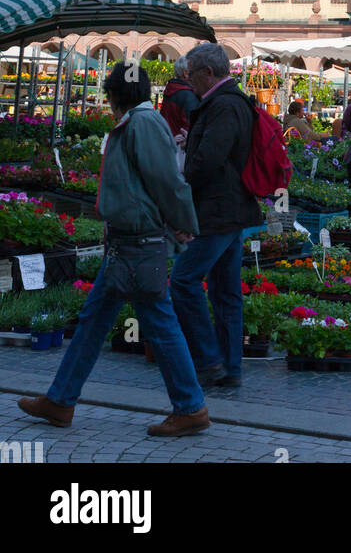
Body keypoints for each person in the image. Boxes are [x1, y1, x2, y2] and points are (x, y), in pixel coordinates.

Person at [18, 61, 208, 437]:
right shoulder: (139, 122)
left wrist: (184, 224)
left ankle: (190, 406)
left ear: (115, 95)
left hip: (137, 243)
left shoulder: (143, 123)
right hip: (127, 242)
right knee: (93, 322)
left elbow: (167, 182)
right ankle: (61, 400)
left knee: (158, 321)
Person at [169, 42, 261, 389]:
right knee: (225, 291)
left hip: (217, 210)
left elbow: (209, 160)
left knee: (183, 281)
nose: (188, 81)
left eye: (191, 74)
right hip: (230, 209)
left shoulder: (223, 105)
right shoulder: (231, 102)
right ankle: (229, 366)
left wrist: (185, 175)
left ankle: (210, 360)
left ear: (208, 73)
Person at [159, 57, 199, 141]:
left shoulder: (171, 89)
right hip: (181, 146)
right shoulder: (188, 95)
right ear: (185, 73)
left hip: (168, 142)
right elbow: (191, 127)